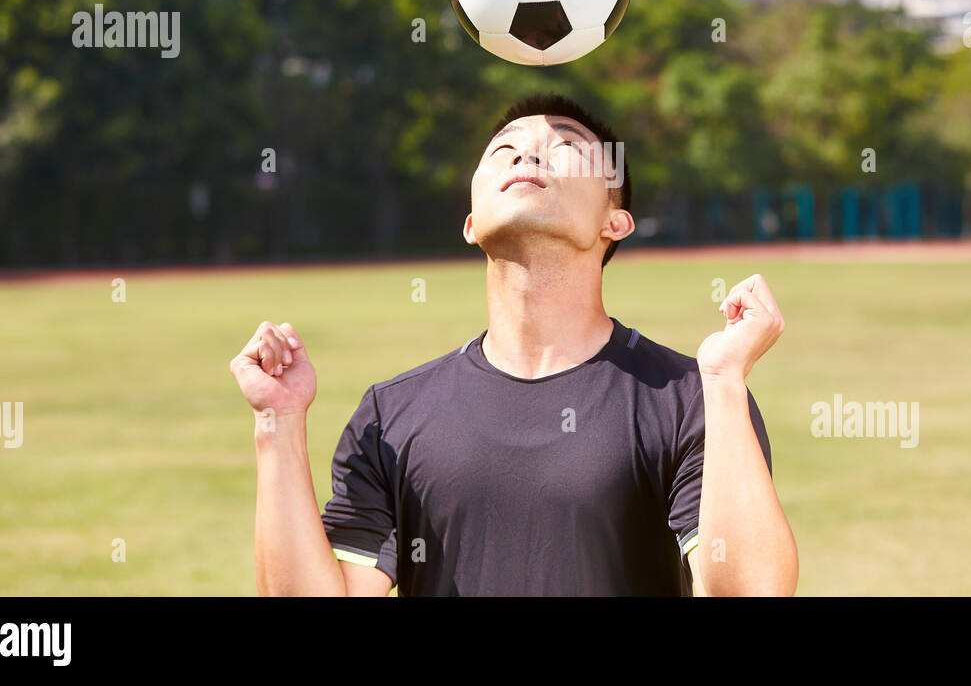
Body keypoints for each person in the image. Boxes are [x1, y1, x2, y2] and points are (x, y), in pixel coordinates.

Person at [231, 94, 796, 595]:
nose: (529, 154)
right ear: (471, 222)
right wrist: (276, 423)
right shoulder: (390, 415)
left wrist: (723, 383)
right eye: (505, 147)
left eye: (568, 145)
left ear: (615, 222)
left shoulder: (688, 401)